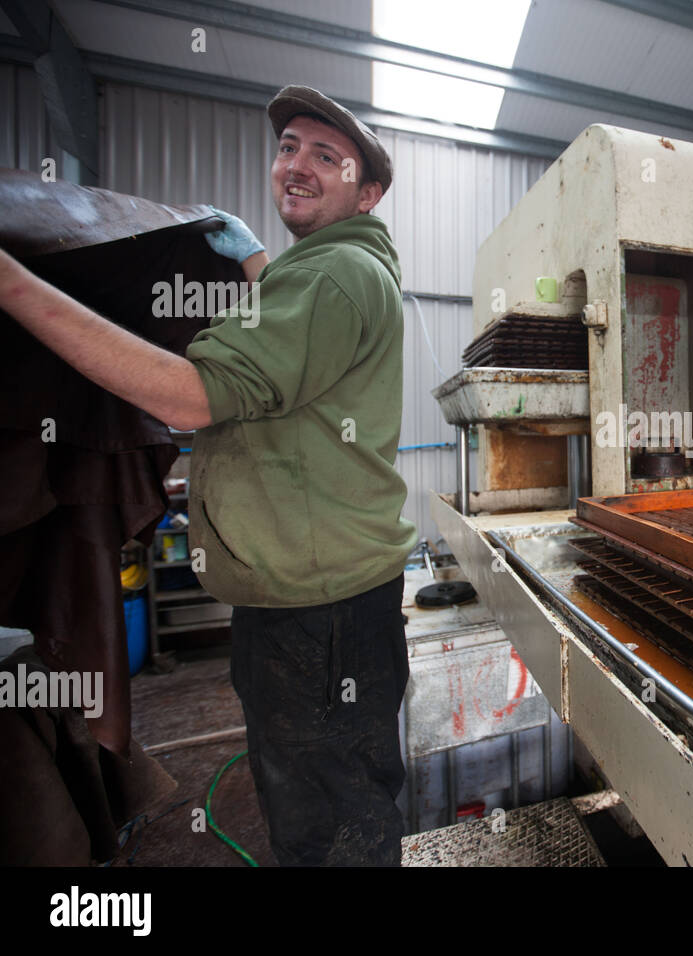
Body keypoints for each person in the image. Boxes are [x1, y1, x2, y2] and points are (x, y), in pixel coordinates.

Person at [0, 85, 417, 865]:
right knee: (340, 803)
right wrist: (257, 260)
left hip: (312, 616)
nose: (297, 165)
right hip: (325, 601)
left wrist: (14, 285)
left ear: (369, 193)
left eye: (327, 156)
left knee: (328, 831)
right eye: (289, 146)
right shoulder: (321, 274)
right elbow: (293, 369)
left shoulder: (331, 277)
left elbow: (191, 399)